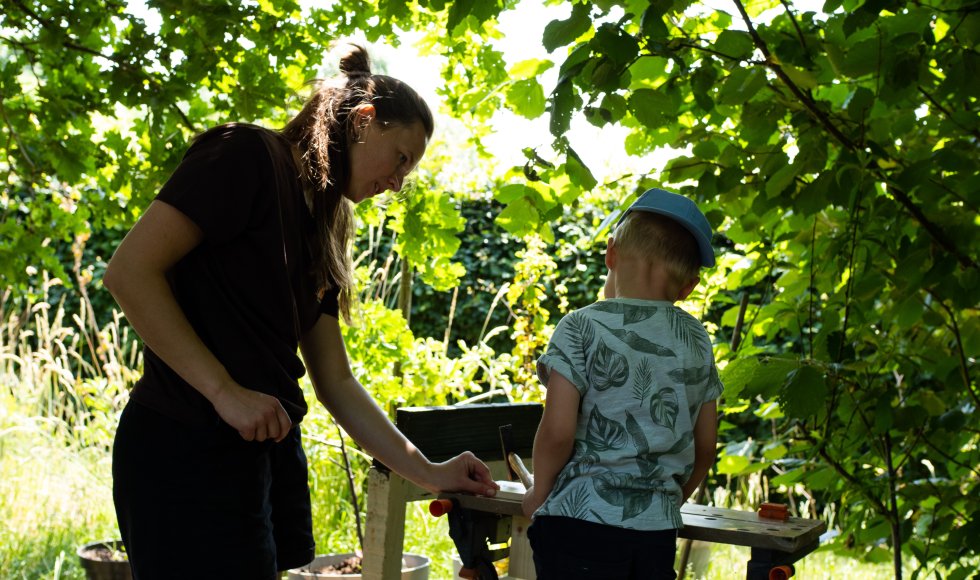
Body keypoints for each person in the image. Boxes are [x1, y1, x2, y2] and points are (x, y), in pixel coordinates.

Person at [103, 44, 498, 579]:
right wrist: (224, 391)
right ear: (364, 121)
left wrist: (429, 472)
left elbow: (335, 382)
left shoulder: (321, 228)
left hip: (258, 462)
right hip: (182, 449)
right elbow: (129, 273)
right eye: (401, 158)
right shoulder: (243, 156)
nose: (398, 183)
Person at [520, 188, 723, 579]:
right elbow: (706, 447)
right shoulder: (696, 339)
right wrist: (668, 502)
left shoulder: (580, 326)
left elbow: (558, 432)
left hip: (577, 525)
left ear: (610, 252)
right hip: (655, 535)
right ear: (688, 287)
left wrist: (539, 493)